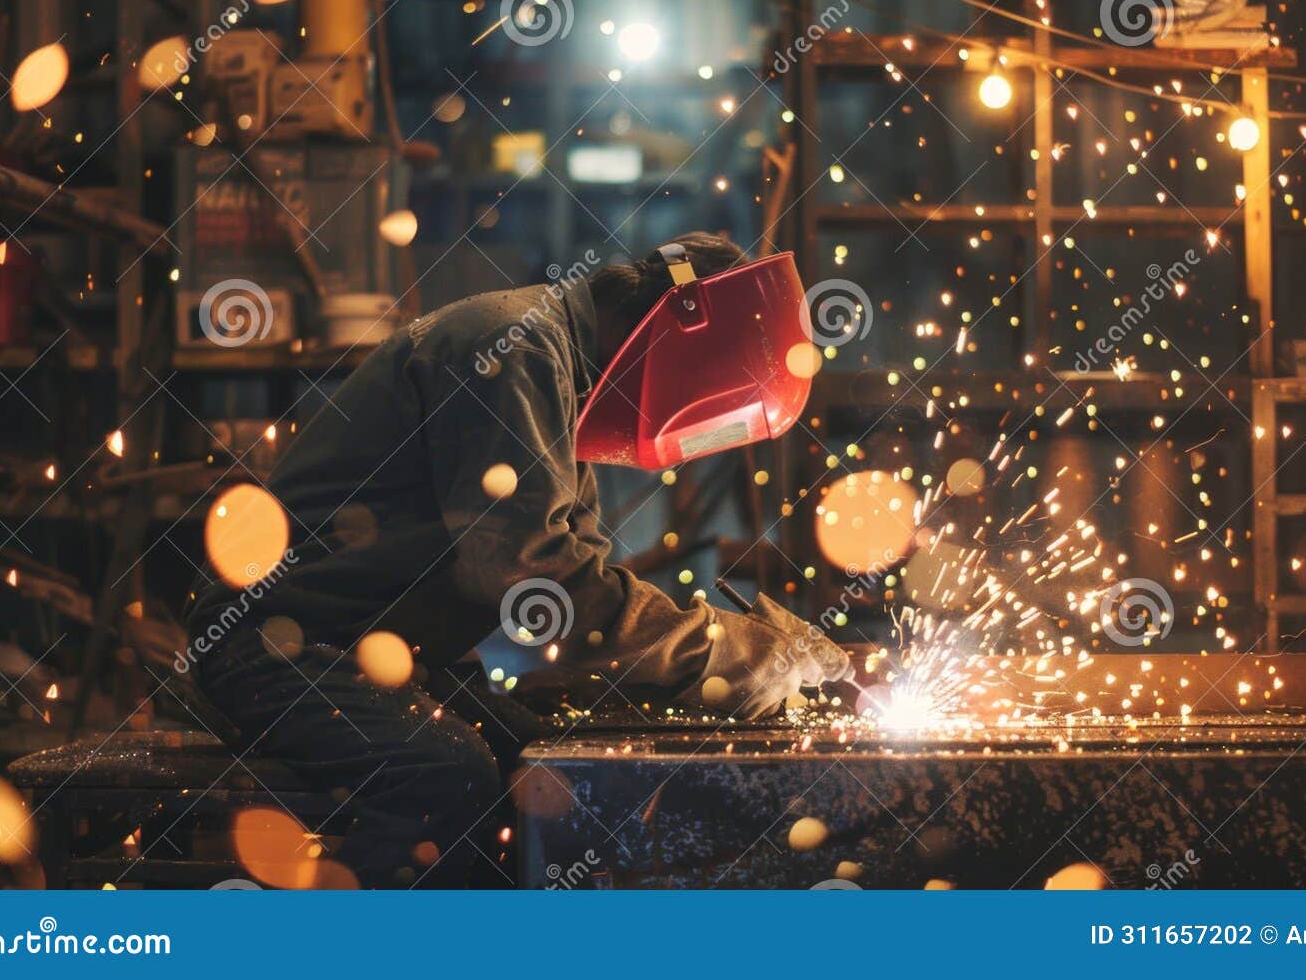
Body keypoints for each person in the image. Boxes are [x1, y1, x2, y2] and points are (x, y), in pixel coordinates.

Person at [186, 232, 851, 888]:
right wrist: (720, 649)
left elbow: (578, 591)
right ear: (682, 335)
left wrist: (715, 663)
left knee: (544, 769)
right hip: (275, 644)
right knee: (446, 776)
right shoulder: (516, 349)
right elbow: (530, 577)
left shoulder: (559, 382)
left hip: (376, 651)